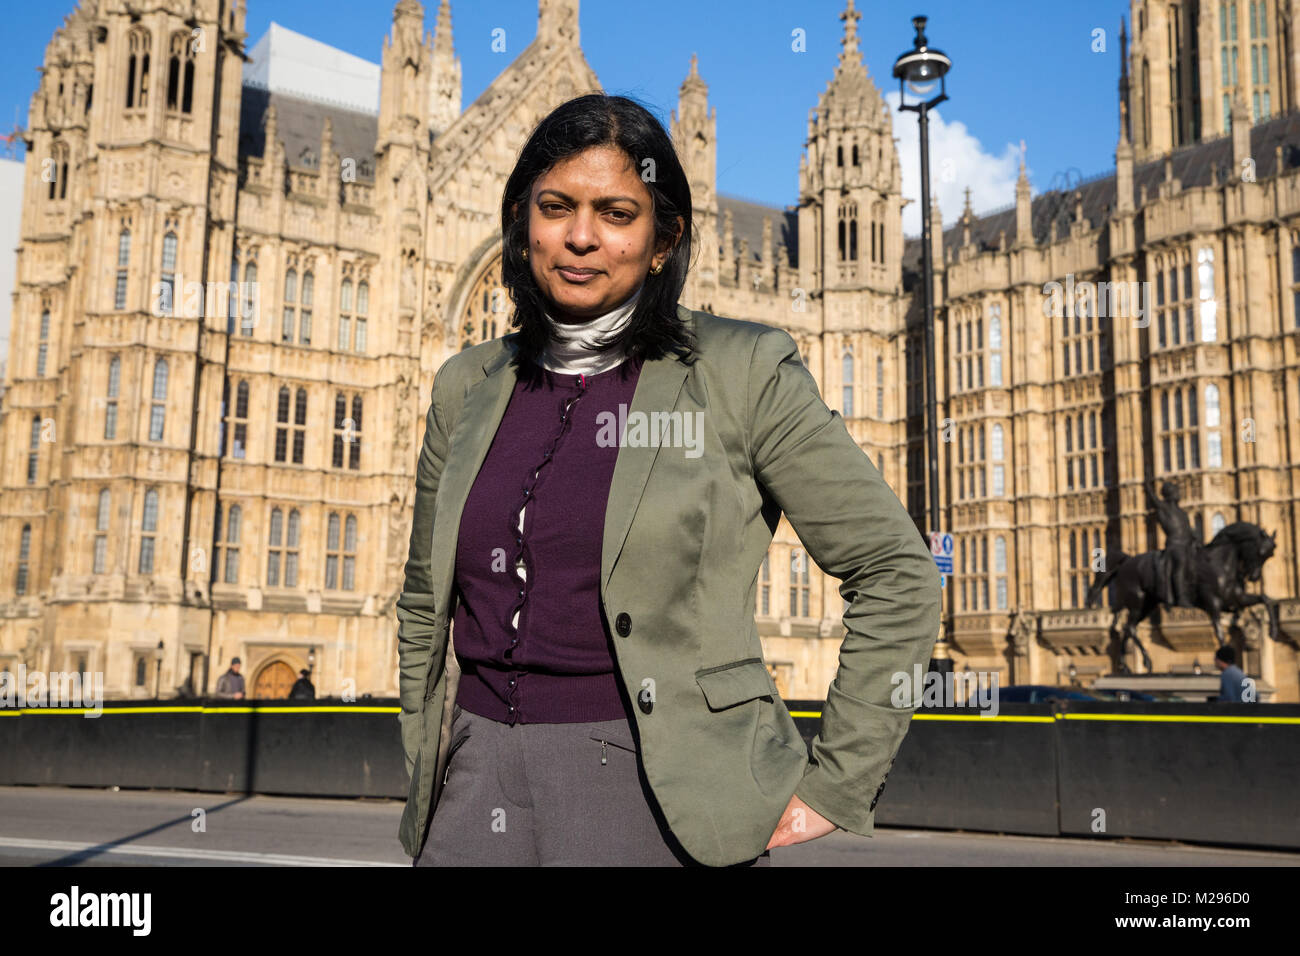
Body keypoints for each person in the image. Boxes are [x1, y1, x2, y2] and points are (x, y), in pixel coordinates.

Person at [396, 93, 941, 867]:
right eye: (556, 207)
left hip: (653, 795)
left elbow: (897, 571)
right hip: (474, 781)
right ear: (522, 223)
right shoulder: (468, 384)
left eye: (618, 213)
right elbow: (424, 598)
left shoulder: (740, 371)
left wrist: (840, 780)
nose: (581, 236)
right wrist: (430, 758)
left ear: (663, 241)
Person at [1146, 479, 1198, 607]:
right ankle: (1180, 598)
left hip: (1187, 544)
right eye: (1176, 491)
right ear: (1169, 494)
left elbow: (1189, 530)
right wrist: (1147, 481)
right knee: (1180, 561)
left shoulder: (1182, 513)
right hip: (1175, 545)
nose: (1179, 494)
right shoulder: (1164, 507)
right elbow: (1153, 498)